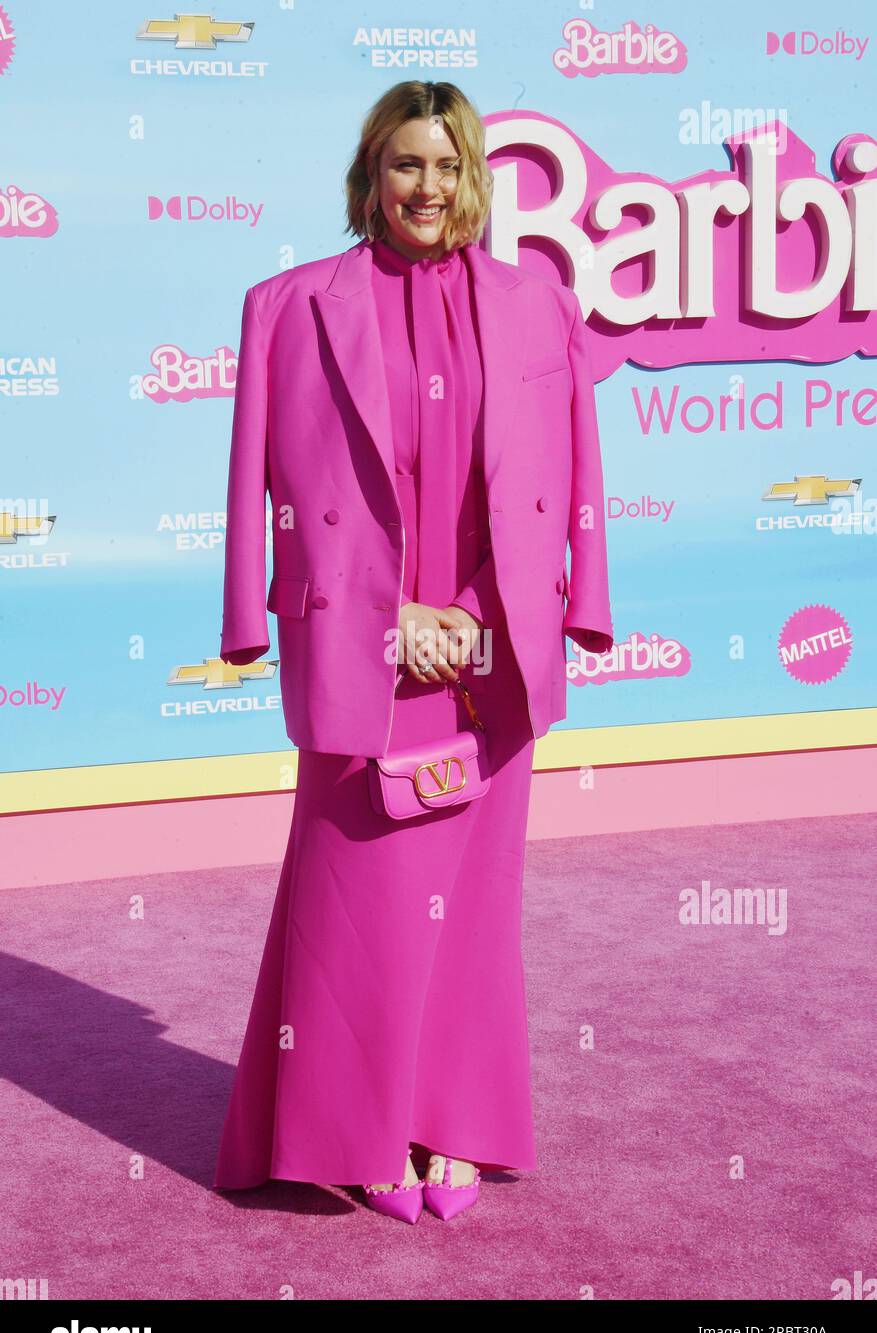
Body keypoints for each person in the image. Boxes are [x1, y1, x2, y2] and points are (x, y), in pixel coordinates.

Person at [212, 80, 613, 1223]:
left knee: (475, 917)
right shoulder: (289, 306)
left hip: (491, 659)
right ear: (369, 173)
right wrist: (374, 623)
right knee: (358, 911)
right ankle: (356, 1132)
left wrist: (493, 616)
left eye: (446, 165)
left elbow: (568, 481)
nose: (426, 188)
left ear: (473, 174)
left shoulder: (537, 306)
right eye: (404, 165)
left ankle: (456, 1129)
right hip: (362, 656)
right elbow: (261, 490)